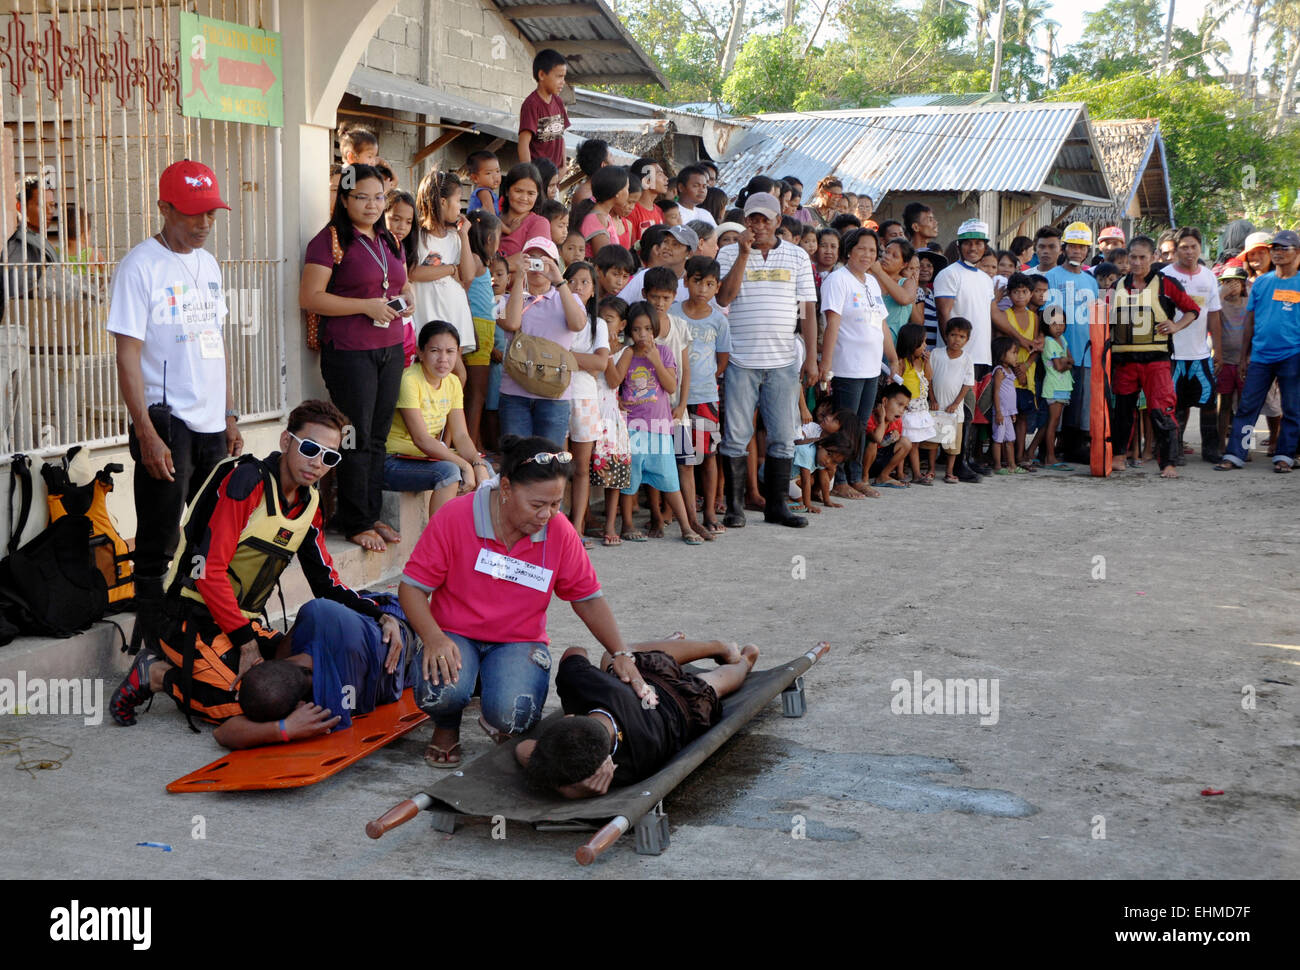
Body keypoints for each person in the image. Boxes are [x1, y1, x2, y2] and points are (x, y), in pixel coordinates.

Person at [108, 400, 402, 729]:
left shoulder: (310, 503)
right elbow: (209, 573)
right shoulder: (247, 482)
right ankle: (157, 674)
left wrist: (379, 614)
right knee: (250, 705)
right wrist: (247, 645)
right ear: (286, 441)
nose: (317, 463)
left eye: (329, 456)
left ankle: (214, 666)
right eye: (309, 448)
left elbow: (326, 583)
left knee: (295, 689)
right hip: (187, 618)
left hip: (242, 624)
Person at [399, 435, 649, 766]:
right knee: (441, 691)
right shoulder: (455, 516)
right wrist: (432, 638)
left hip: (518, 640)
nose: (547, 514)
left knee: (514, 714)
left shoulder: (559, 530)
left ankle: (495, 713)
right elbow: (411, 588)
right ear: (505, 489)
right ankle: (446, 724)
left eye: (556, 503)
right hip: (454, 634)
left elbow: (587, 598)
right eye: (537, 505)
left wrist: (621, 653)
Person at [109, 160, 243, 642]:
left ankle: (189, 626)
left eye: (211, 213)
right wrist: (144, 430)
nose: (204, 224)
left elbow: (217, 339)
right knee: (160, 538)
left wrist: (228, 413)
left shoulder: (208, 263)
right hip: (167, 424)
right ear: (164, 208)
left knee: (207, 534)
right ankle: (148, 642)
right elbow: (127, 352)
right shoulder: (140, 266)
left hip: (211, 422)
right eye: (192, 213)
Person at [299, 163, 415, 552]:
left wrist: (407, 297)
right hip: (350, 352)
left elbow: (399, 282)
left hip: (390, 348)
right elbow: (310, 297)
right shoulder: (330, 239)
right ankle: (353, 521)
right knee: (355, 436)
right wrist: (365, 306)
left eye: (378, 197)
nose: (372, 205)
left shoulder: (389, 239)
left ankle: (370, 512)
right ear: (344, 199)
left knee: (378, 436)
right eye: (361, 197)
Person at [516, 638, 760, 794]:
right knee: (615, 655)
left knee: (714, 684)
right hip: (653, 684)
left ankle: (744, 662)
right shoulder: (582, 683)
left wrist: (572, 791)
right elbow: (574, 651)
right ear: (568, 718)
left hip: (684, 703)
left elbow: (522, 750)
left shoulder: (630, 768)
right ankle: (719, 648)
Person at [716, 191, 818, 528]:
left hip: (784, 361)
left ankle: (777, 507)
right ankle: (735, 508)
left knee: (782, 435)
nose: (758, 225)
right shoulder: (729, 251)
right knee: (735, 435)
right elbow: (723, 297)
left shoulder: (798, 257)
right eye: (752, 219)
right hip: (741, 360)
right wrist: (743, 256)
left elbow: (807, 311)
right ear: (745, 221)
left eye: (765, 219)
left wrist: (812, 359)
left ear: (778, 221)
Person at [609, 301, 703, 544]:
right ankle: (628, 524)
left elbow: (671, 386)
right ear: (629, 331)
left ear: (656, 330)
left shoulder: (663, 353)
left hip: (660, 427)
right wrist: (617, 399)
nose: (643, 335)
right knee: (629, 480)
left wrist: (656, 361)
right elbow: (615, 380)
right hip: (633, 427)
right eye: (638, 330)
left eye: (648, 330)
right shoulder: (627, 353)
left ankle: (685, 527)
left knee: (670, 479)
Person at [1110, 235, 1200, 478]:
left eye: (1142, 257)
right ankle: (1118, 457)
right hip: (1124, 361)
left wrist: (1176, 326)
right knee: (1122, 412)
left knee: (1162, 410)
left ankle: (1168, 463)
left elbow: (1192, 309)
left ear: (1153, 257)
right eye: (1133, 257)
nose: (1137, 262)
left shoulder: (1166, 284)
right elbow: (1104, 319)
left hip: (1156, 359)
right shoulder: (1117, 285)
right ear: (1127, 257)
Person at [819, 227, 898, 498]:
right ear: (849, 250)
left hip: (871, 367)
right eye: (862, 248)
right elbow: (832, 323)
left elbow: (882, 325)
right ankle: (838, 479)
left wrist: (894, 358)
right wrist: (825, 367)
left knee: (862, 425)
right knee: (843, 425)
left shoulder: (872, 283)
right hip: (846, 366)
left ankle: (855, 476)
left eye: (873, 250)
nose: (867, 254)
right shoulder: (837, 280)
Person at [384, 320, 488, 518]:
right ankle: (438, 543)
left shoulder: (453, 382)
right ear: (420, 352)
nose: (443, 359)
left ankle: (470, 539)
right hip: (393, 460)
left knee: (486, 469)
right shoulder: (409, 380)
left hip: (425, 457)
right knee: (449, 472)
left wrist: (477, 464)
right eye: (435, 351)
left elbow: (461, 435)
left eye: (450, 352)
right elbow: (421, 439)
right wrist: (465, 465)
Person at [1217, 231, 1300, 473]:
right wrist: (1244, 356)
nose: (1278, 252)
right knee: (1246, 407)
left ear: (1297, 252)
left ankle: (1284, 456)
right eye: (1275, 248)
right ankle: (1235, 454)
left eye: (1285, 248)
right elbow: (1250, 321)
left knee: (1292, 408)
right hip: (1261, 356)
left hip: (1292, 355)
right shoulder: (1262, 283)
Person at [497, 235, 586, 443]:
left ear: (556, 265)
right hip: (514, 393)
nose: (538, 266)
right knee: (517, 460)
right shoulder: (501, 300)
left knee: (550, 462)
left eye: (545, 260)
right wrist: (518, 277)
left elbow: (578, 324)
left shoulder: (570, 298)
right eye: (531, 259)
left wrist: (560, 281)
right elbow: (511, 323)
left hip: (554, 395)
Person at [674, 255, 731, 536]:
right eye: (697, 281)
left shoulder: (719, 321)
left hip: (706, 396)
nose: (702, 289)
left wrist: (705, 379)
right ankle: (687, 516)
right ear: (685, 281)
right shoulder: (672, 314)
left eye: (709, 284)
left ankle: (708, 511)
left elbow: (722, 361)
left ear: (717, 287)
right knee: (684, 458)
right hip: (675, 401)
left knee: (707, 455)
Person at [934, 219, 995, 476]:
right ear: (959, 246)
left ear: (985, 247)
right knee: (955, 410)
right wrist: (954, 351)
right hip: (957, 355)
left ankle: (965, 459)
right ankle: (954, 464)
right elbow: (943, 315)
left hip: (981, 352)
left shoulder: (985, 278)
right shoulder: (948, 275)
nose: (973, 247)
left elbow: (992, 315)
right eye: (968, 243)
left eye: (978, 243)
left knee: (970, 411)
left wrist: (1023, 338)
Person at [1162, 227, 1223, 464]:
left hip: (1201, 353)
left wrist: (1218, 348)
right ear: (1176, 250)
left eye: (1193, 247)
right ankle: (1173, 451)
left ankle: (1210, 450)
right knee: (1175, 404)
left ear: (1200, 248)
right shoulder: (1165, 275)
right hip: (1172, 353)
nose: (1189, 252)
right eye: (1184, 247)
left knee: (1208, 402)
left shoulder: (1208, 276)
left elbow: (1215, 316)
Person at [562, 261, 611, 545]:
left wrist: (563, 355)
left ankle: (577, 527)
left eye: (585, 283)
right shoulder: (556, 318)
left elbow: (600, 362)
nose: (578, 287)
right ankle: (557, 528)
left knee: (581, 468)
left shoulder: (598, 324)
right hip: (555, 397)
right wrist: (583, 361)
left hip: (584, 398)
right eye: (573, 281)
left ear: (593, 291)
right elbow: (590, 361)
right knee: (557, 465)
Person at [1045, 222, 1099, 462]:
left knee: (1079, 403)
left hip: (1086, 352)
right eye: (1073, 246)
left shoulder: (1091, 281)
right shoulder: (1051, 277)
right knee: (1057, 400)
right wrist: (1056, 351)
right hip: (1059, 352)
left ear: (1087, 250)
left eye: (1082, 247)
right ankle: (1050, 448)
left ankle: (1074, 446)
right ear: (1064, 248)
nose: (1077, 251)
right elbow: (1047, 315)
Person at [411, 171, 476, 367]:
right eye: (458, 200)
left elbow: (468, 274)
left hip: (454, 314)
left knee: (457, 375)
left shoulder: (455, 237)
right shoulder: (419, 236)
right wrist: (449, 269)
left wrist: (464, 235)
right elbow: (413, 272)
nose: (460, 207)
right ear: (442, 202)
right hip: (428, 315)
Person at [462, 210, 501, 450]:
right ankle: (471, 444)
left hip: (483, 330)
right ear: (489, 240)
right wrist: (470, 330)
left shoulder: (477, 262)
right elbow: (463, 294)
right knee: (477, 394)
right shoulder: (475, 261)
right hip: (477, 329)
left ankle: (471, 440)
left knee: (475, 392)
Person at [930, 317, 976, 484]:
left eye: (962, 336)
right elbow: (928, 379)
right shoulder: (936, 354)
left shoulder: (967, 359)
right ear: (946, 335)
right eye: (953, 335)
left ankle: (949, 472)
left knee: (952, 445)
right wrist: (932, 399)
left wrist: (956, 403)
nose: (957, 339)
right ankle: (931, 470)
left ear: (967, 339)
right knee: (932, 442)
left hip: (954, 411)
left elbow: (967, 384)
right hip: (936, 407)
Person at [895, 324, 936, 484]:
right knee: (904, 441)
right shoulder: (902, 362)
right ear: (912, 343)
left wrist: (928, 363)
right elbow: (896, 383)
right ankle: (900, 472)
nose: (925, 346)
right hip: (906, 409)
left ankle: (916, 473)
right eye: (922, 342)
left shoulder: (920, 362)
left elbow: (929, 377)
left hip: (919, 408)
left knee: (915, 444)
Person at [1215, 265, 1250, 455]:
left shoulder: (1249, 302)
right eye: (1227, 282)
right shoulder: (1220, 304)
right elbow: (1208, 313)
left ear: (1243, 285)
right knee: (1225, 405)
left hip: (1245, 362)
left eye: (1236, 282)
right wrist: (1220, 294)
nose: (1231, 286)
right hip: (1225, 361)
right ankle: (1221, 445)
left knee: (1245, 407)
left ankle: (1244, 447)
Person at [518, 49, 569, 169]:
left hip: (555, 176)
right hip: (538, 175)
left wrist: (564, 167)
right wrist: (530, 175)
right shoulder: (531, 104)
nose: (563, 82)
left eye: (564, 77)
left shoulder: (559, 102)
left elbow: (560, 137)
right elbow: (523, 143)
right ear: (541, 75)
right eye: (559, 76)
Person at [1038, 305, 1074, 469]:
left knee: (1051, 423)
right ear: (1046, 325)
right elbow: (1060, 366)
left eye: (1061, 322)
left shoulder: (1063, 340)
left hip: (1063, 387)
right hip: (1054, 387)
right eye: (1054, 323)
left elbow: (1069, 361)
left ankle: (1032, 452)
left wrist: (1066, 362)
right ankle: (1050, 457)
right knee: (1052, 423)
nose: (1059, 327)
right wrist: (1066, 362)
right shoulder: (1049, 341)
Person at [497, 163, 552, 259]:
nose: (524, 198)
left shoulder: (539, 223)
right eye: (518, 191)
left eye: (530, 193)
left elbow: (534, 265)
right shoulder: (493, 219)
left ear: (537, 195)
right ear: (506, 191)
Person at [577, 166, 631, 257]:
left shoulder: (604, 216)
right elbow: (605, 261)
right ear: (617, 193)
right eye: (627, 189)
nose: (628, 193)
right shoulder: (596, 220)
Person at [865, 383, 912, 487]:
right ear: (885, 401)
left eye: (904, 407)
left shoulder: (897, 421)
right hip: (865, 462)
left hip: (880, 461)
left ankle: (883, 476)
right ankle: (864, 479)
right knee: (872, 443)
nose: (901, 410)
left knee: (905, 442)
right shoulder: (870, 416)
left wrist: (899, 473)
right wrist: (882, 421)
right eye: (899, 404)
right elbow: (877, 438)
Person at [875, 237, 919, 341]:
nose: (887, 257)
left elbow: (904, 299)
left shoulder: (907, 283)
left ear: (904, 264)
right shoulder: (871, 279)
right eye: (886, 252)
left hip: (894, 345)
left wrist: (880, 272)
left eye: (894, 256)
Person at [989, 336, 1020, 474]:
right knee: (998, 439)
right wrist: (999, 412)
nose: (1016, 356)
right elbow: (996, 393)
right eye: (1013, 352)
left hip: (1008, 413)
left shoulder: (1010, 371)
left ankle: (1012, 465)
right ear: (1002, 354)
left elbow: (1010, 394)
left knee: (1010, 439)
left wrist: (1013, 411)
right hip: (1001, 413)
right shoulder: (999, 371)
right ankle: (997, 466)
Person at [916, 249, 947, 349]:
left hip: (932, 355)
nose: (925, 269)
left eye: (929, 266)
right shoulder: (910, 292)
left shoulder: (934, 295)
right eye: (920, 265)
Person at [570, 138, 610, 206]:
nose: (614, 162)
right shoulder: (585, 196)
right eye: (611, 156)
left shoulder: (600, 189)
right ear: (604, 165)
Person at [466, 150, 501, 214]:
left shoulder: (489, 192)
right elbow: (491, 216)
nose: (495, 176)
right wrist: (504, 224)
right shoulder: (484, 192)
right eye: (488, 173)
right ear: (475, 178)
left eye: (497, 171)